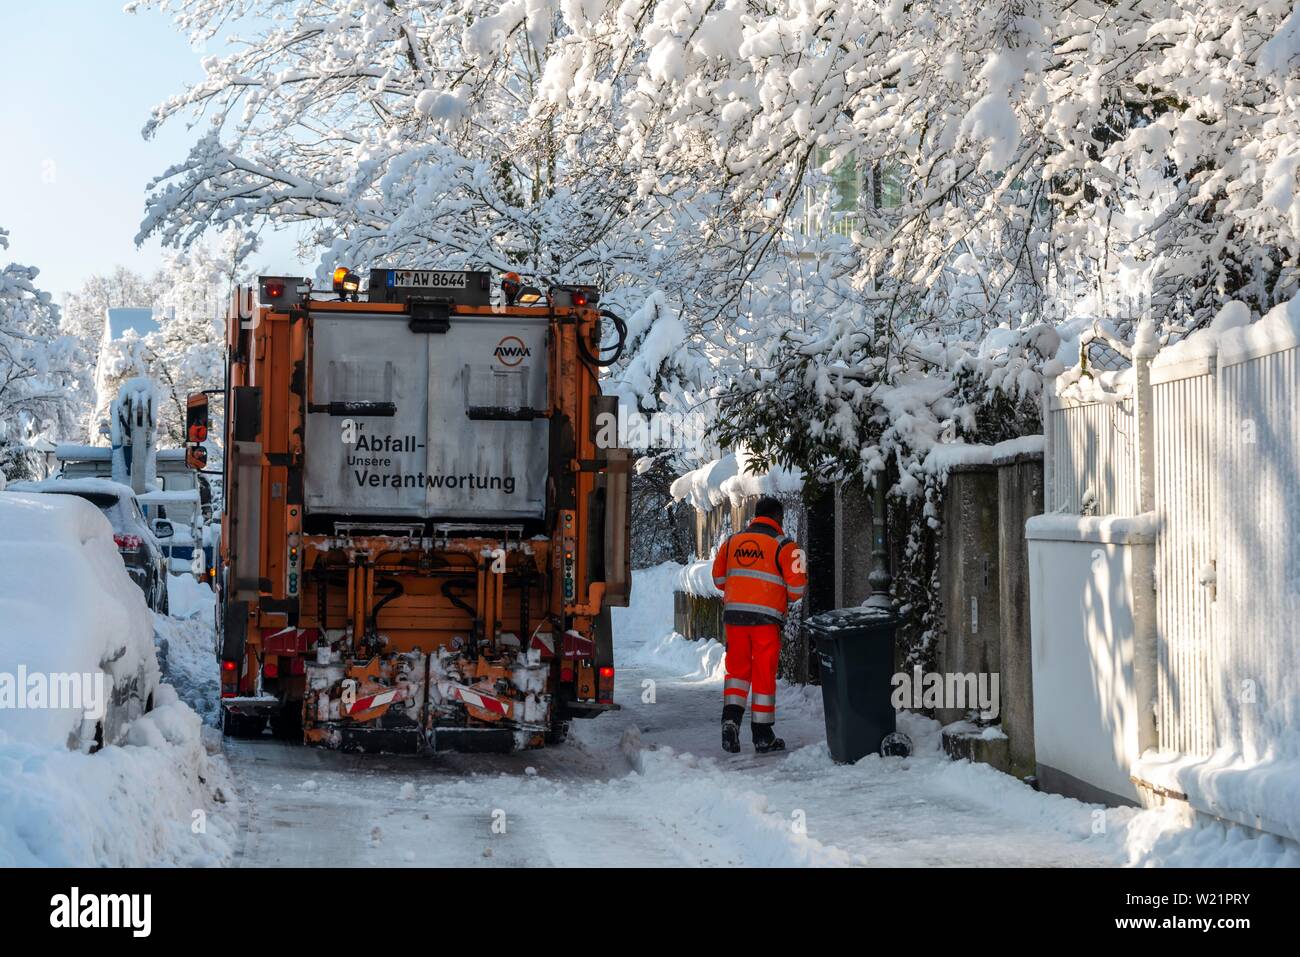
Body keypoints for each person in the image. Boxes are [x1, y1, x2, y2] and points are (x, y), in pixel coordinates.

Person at [710, 496, 807, 754]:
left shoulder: (731, 542)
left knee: (737, 672)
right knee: (763, 673)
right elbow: (798, 589)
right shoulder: (787, 547)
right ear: (778, 517)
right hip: (766, 620)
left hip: (735, 618)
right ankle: (762, 735)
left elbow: (718, 579)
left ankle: (730, 721)